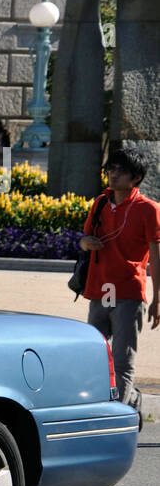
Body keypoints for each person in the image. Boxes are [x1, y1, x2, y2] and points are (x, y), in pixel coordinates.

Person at [79, 146, 160, 410]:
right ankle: (125, 400)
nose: (113, 175)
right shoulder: (100, 203)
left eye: (120, 171)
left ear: (135, 178)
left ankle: (119, 416)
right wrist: (86, 244)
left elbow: (156, 256)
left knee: (123, 360)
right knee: (94, 357)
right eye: (110, 169)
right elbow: (84, 241)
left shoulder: (149, 209)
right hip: (98, 290)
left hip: (129, 293)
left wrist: (157, 298)